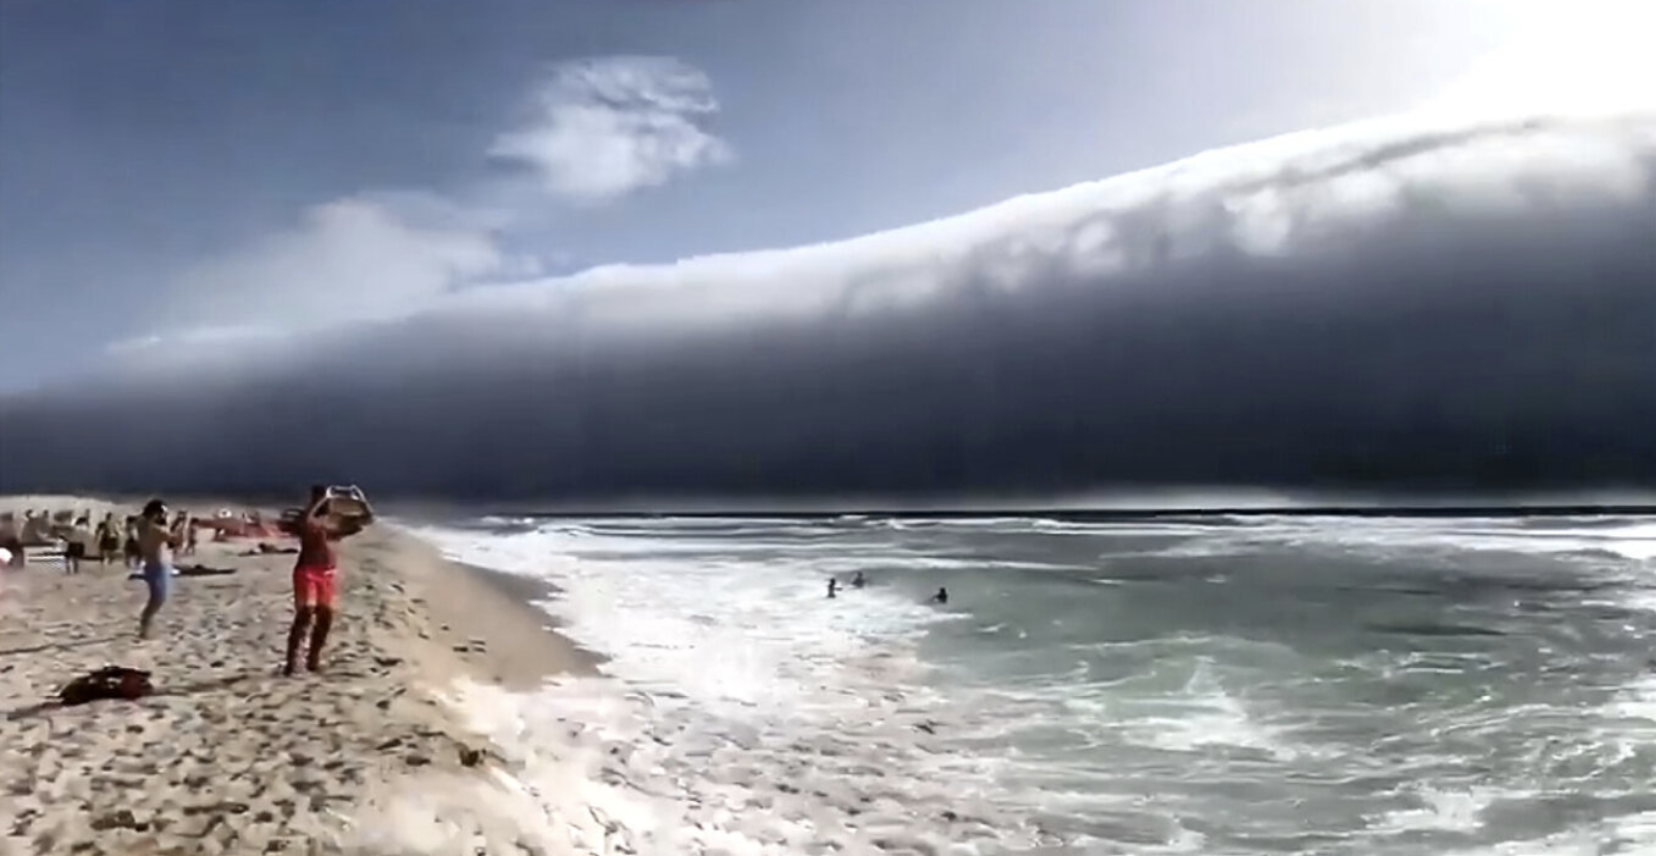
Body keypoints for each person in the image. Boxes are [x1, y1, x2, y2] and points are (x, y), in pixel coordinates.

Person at [286, 485, 374, 676]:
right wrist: (320, 501)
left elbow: (368, 519)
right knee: (306, 612)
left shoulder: (335, 522)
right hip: (307, 570)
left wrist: (361, 499)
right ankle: (292, 662)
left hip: (327, 573)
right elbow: (308, 521)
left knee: (325, 616)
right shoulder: (307, 519)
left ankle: (313, 660)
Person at [136, 499, 182, 639]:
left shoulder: (142, 525)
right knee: (158, 599)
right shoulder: (156, 530)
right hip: (159, 565)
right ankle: (145, 626)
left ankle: (146, 625)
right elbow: (176, 540)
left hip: (152, 565)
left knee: (157, 598)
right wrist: (181, 524)